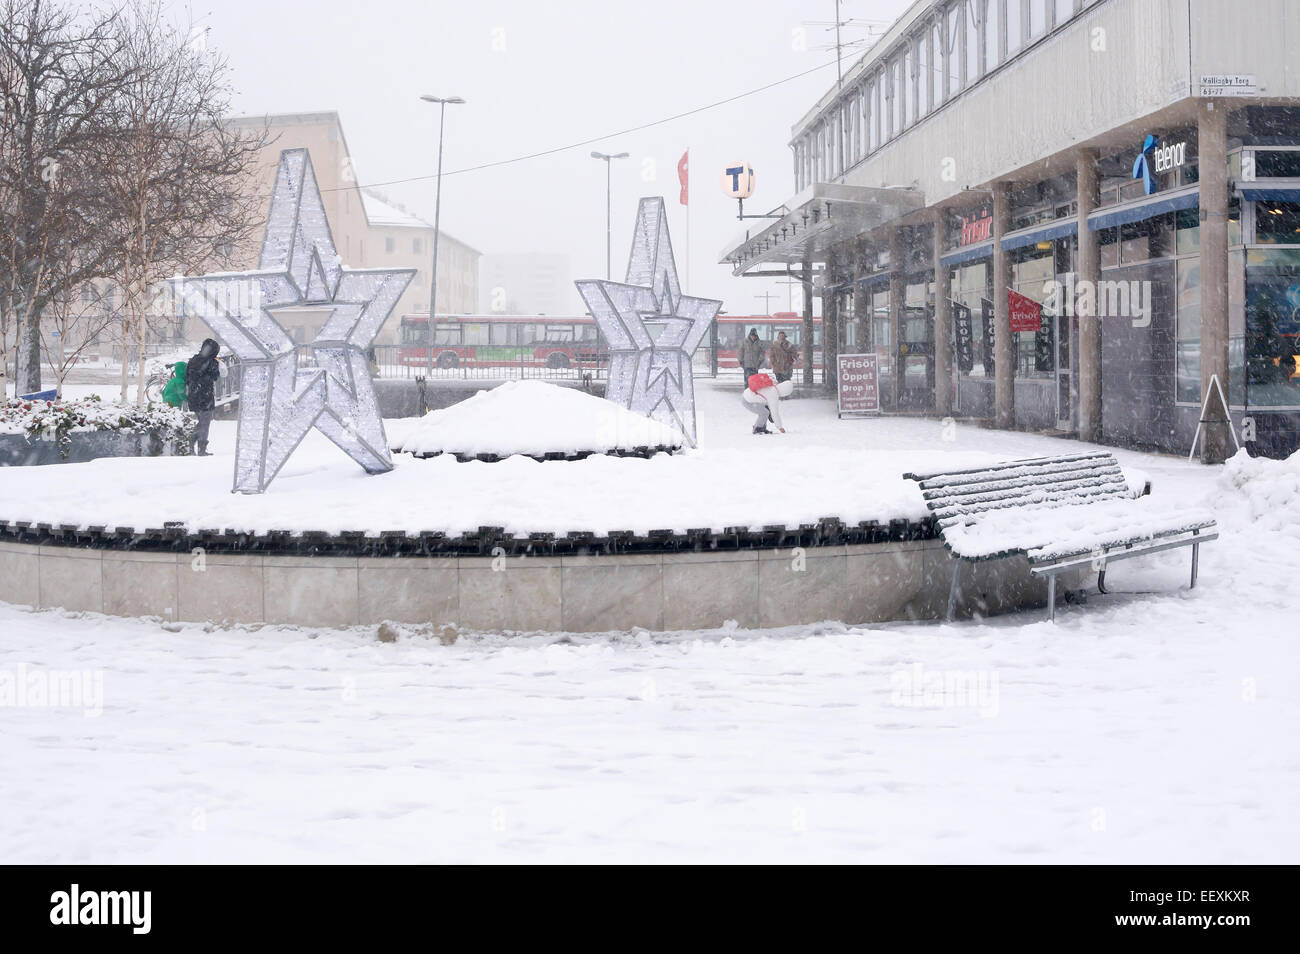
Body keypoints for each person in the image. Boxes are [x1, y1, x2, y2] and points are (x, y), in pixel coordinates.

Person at [185, 338, 223, 456]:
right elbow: (215, 376)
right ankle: (199, 447)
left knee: (202, 421)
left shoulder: (194, 359)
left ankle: (192, 443)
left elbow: (187, 376)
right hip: (205, 395)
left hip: (193, 395)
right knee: (205, 422)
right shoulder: (212, 362)